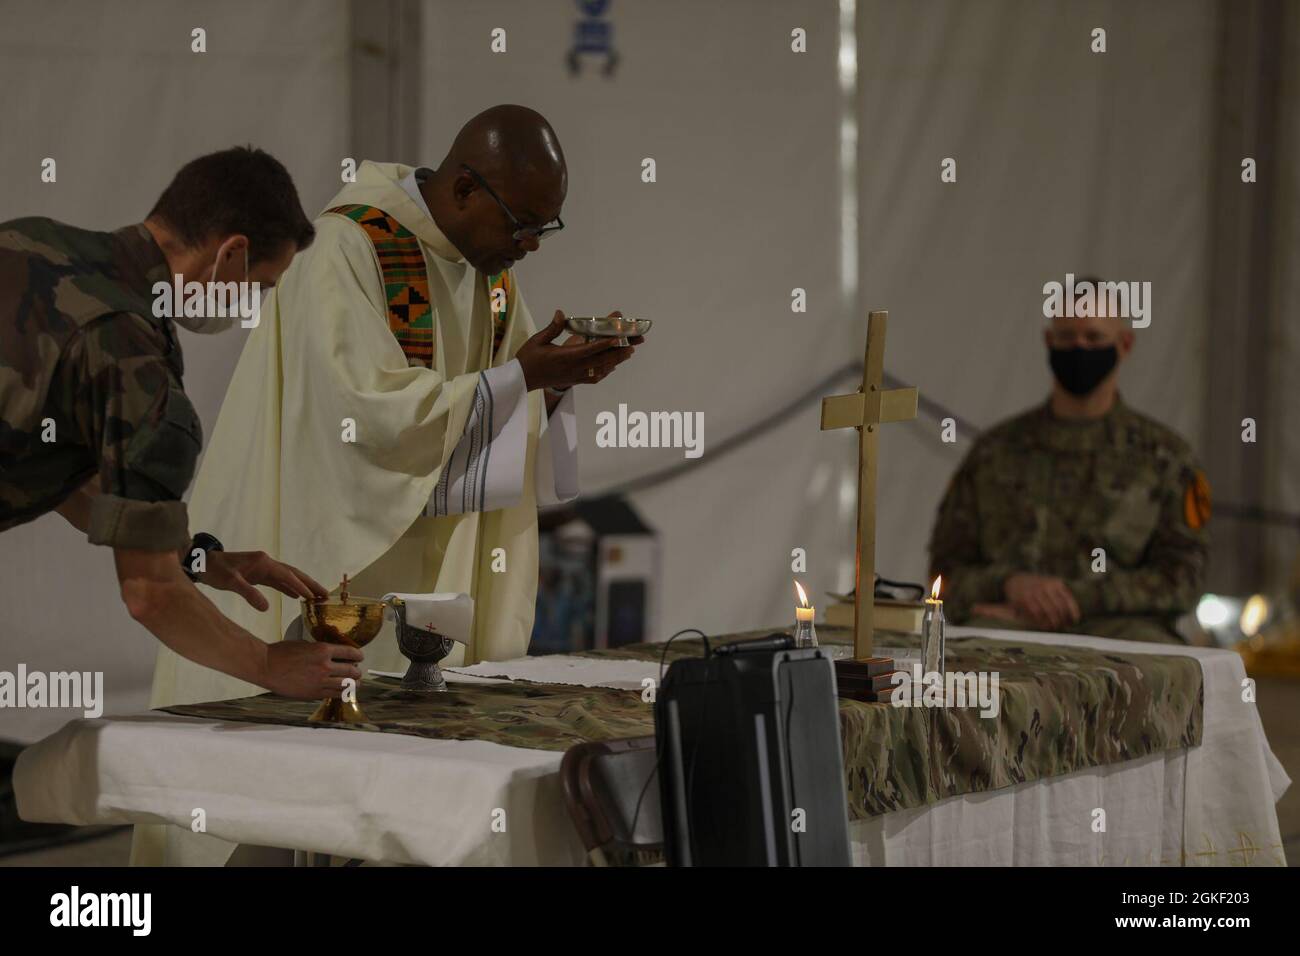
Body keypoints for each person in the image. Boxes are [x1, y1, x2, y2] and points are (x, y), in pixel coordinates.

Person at [150, 104, 642, 715]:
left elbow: (508, 403)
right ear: (465, 189)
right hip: (331, 559)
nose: (531, 246)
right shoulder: (347, 247)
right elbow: (361, 421)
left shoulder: (491, 275)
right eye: (523, 225)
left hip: (439, 569)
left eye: (546, 228)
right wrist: (522, 378)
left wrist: (557, 383)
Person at [0, 146, 349, 695]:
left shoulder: (27, 241)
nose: (250, 308)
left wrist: (190, 554)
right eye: (260, 286)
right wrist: (267, 664)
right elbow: (149, 593)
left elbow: (52, 469)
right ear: (231, 254)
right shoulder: (136, 370)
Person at [928, 278, 1209, 643]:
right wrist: (1010, 584)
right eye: (1067, 337)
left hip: (1120, 635)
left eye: (1093, 338)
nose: (1079, 348)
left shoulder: (1166, 458)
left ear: (1124, 344)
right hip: (1010, 627)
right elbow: (944, 574)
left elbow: (1184, 580)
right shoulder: (994, 452)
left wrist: (1076, 599)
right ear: (1049, 342)